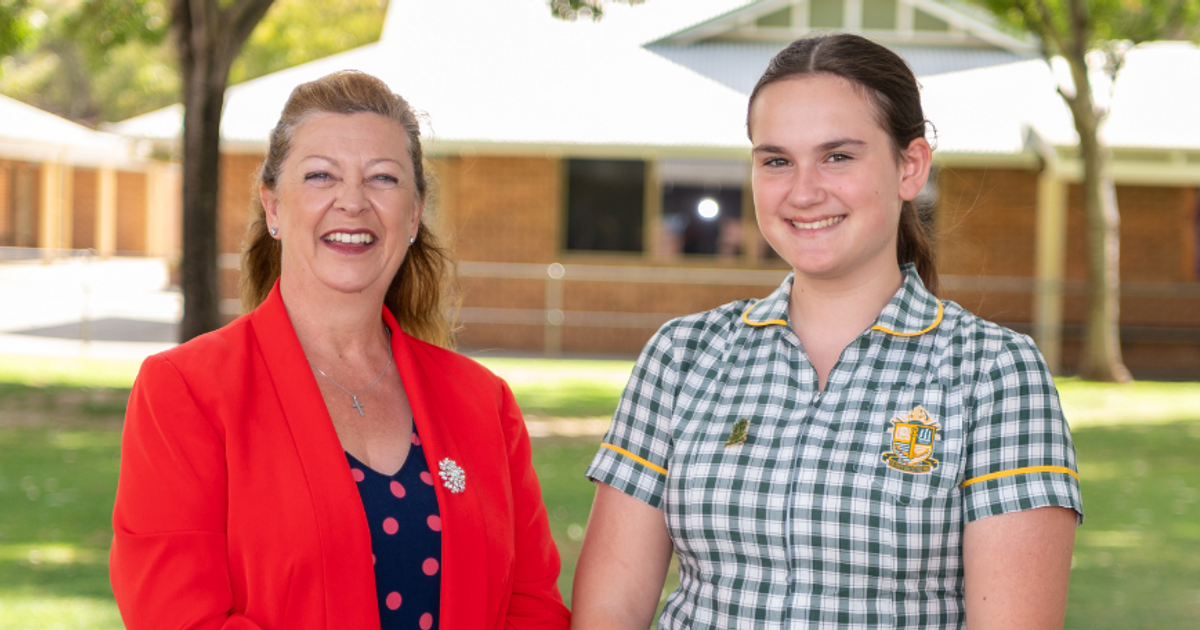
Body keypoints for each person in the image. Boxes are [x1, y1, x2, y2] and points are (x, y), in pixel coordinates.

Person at [572, 34, 1083, 630]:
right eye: (777, 160)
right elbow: (611, 608)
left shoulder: (994, 373)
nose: (803, 191)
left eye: (837, 156)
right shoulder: (681, 356)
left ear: (910, 166)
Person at [110, 71, 571, 630]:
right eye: (321, 175)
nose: (352, 202)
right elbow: (179, 617)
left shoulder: (484, 403)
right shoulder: (186, 391)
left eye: (382, 178)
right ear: (273, 207)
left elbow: (532, 605)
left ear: (414, 213)